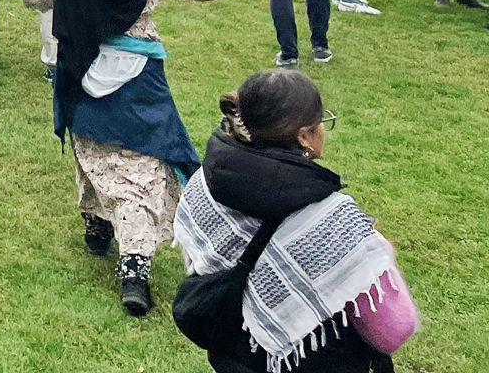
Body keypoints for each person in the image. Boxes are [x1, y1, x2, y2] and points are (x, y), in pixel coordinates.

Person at [19, 0, 251, 315]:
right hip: (139, 77)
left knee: (92, 150)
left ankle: (97, 226)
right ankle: (134, 268)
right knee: (141, 164)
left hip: (78, 71)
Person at [173, 68, 418, 372]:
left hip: (232, 356)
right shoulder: (334, 221)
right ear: (304, 136)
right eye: (321, 123)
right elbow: (393, 328)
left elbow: (198, 261)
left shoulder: (205, 182)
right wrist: (379, 251)